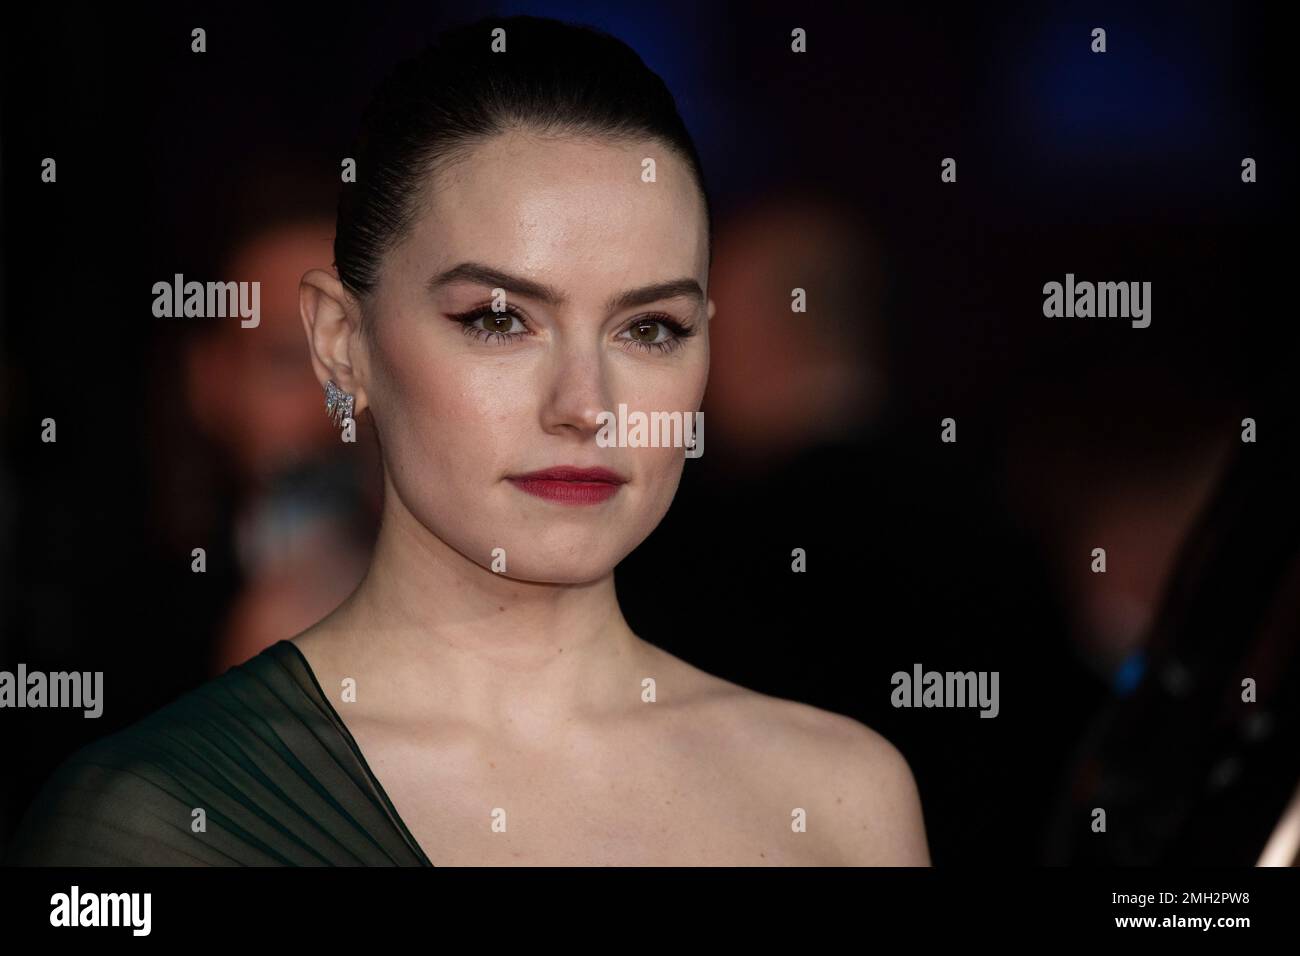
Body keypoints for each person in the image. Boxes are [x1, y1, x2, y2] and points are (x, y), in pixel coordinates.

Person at [5, 14, 929, 866]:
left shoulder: (845, 799)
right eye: (498, 319)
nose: (585, 405)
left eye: (649, 329)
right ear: (342, 343)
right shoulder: (153, 820)